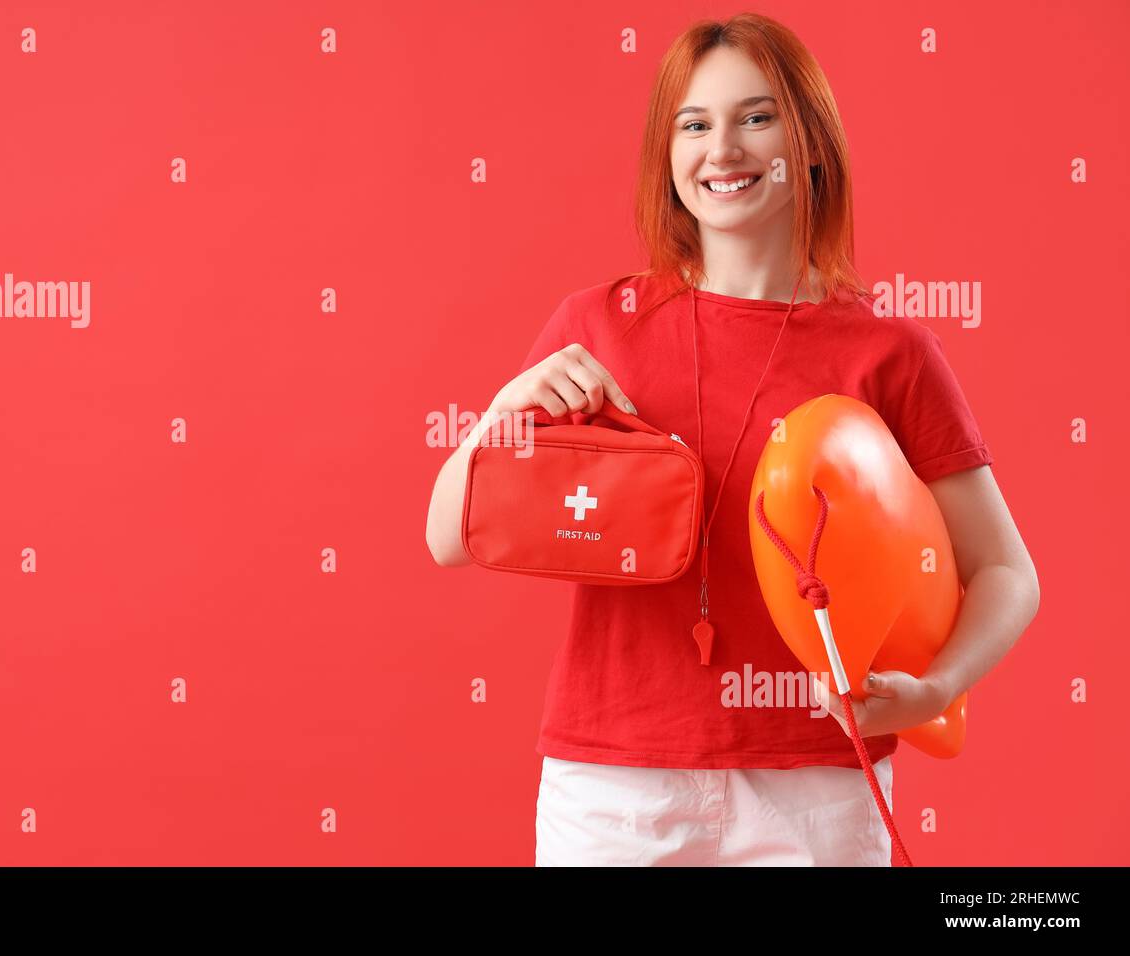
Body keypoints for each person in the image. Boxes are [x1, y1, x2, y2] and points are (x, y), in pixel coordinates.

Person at [424, 13, 1040, 866]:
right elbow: (449, 537)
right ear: (667, 156)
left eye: (757, 117)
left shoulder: (890, 353)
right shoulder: (596, 329)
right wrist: (507, 411)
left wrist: (935, 689)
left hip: (818, 790)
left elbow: (1007, 571)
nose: (724, 149)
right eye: (694, 124)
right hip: (615, 792)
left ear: (810, 142)